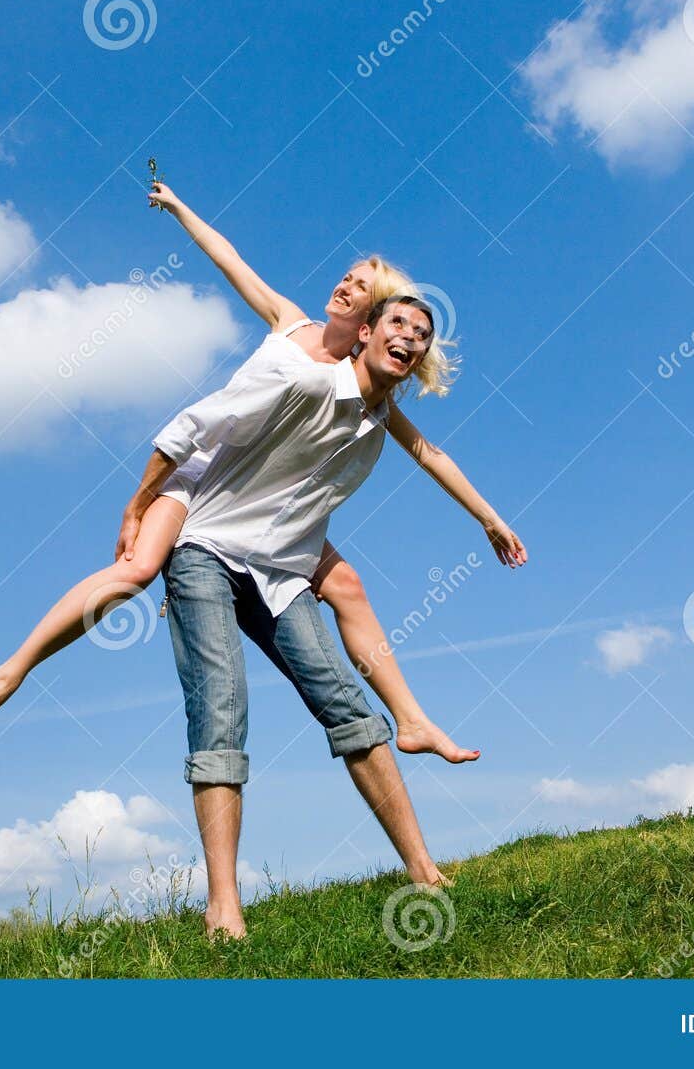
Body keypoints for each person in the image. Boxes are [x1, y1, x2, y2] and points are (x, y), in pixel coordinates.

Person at [0, 180, 526, 760]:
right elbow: (229, 258)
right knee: (140, 568)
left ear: (374, 317)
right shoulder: (291, 322)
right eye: (346, 277)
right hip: (206, 472)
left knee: (348, 585)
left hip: (267, 503)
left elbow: (430, 453)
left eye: (359, 288)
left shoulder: (365, 387)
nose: (344, 287)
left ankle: (413, 721)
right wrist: (179, 209)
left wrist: (490, 520)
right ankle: (11, 671)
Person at [139, 293, 457, 938]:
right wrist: (137, 508)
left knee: (345, 700)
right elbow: (195, 424)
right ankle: (224, 904)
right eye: (397, 323)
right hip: (204, 548)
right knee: (222, 708)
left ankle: (424, 869)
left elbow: (436, 460)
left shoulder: (378, 419)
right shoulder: (308, 378)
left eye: (422, 333)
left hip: (282, 570)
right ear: (363, 334)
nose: (410, 337)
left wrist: (489, 521)